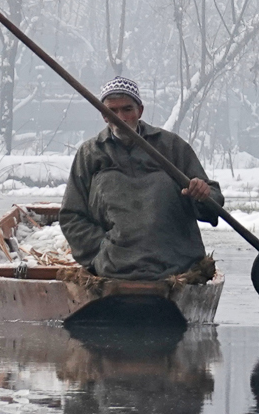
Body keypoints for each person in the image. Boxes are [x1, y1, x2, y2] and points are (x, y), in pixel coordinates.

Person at [59, 77, 223, 280]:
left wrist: (202, 193)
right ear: (103, 115)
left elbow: (213, 201)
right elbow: (71, 216)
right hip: (115, 268)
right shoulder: (90, 154)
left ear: (140, 111)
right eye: (113, 111)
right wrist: (101, 251)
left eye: (127, 109)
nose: (121, 117)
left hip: (177, 265)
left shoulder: (171, 146)